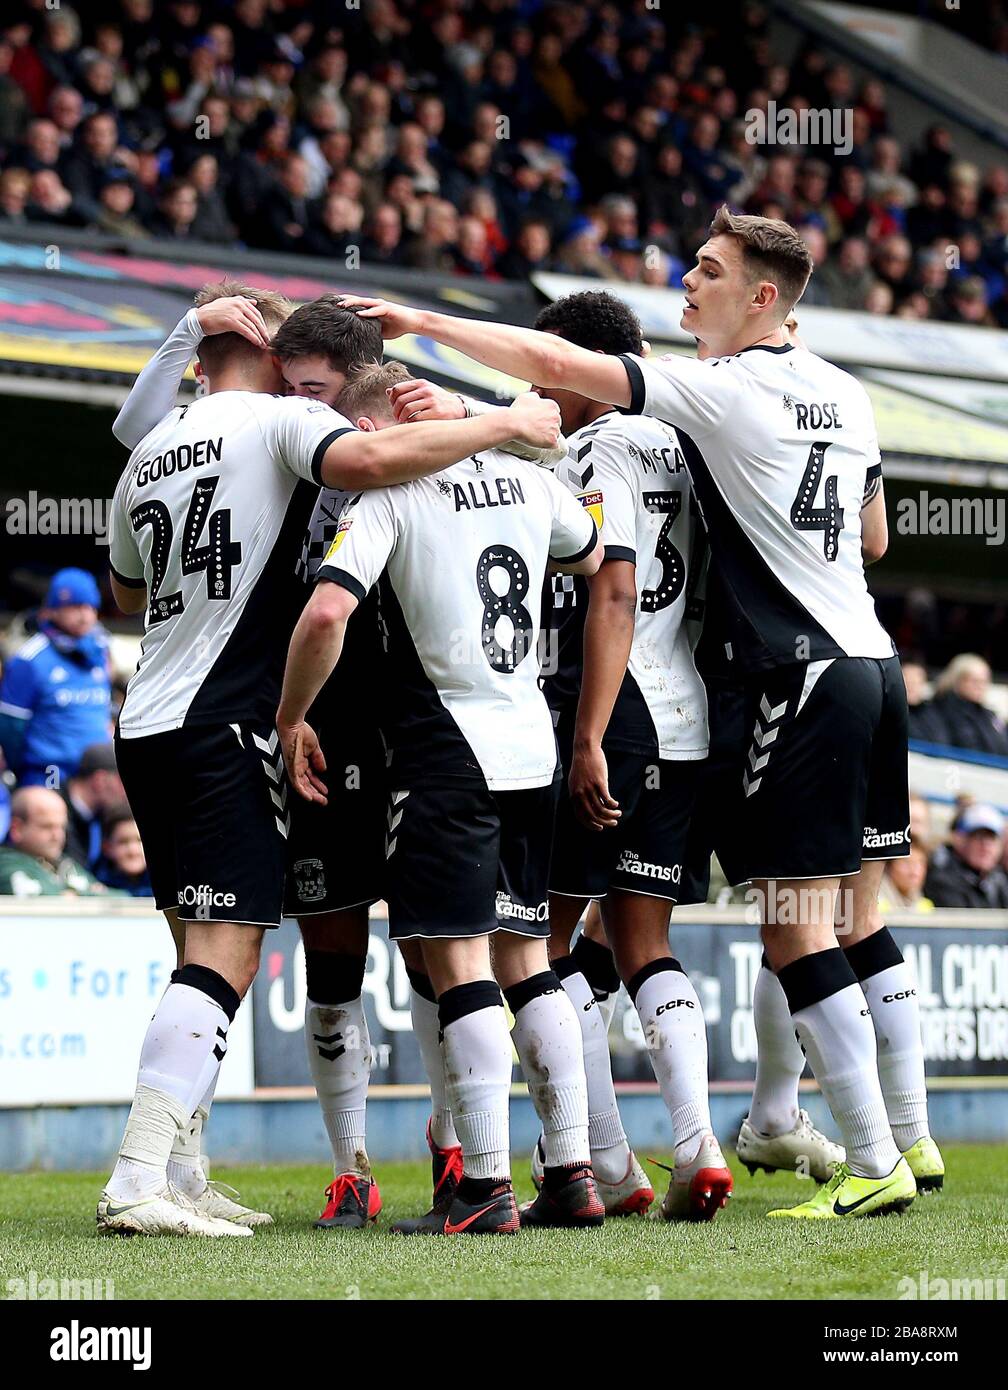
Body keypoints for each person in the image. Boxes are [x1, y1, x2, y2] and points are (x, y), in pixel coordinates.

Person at [338, 202, 941, 1218]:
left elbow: (568, 376)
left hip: (778, 677)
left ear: (760, 296)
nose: (685, 288)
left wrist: (424, 319)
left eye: (705, 272)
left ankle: (850, 1156)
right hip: (869, 665)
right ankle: (859, 1137)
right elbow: (875, 536)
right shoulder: (844, 392)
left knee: (769, 926)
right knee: (819, 914)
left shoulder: (711, 393)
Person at [98, 281, 562, 1240]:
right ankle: (139, 1176)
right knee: (225, 956)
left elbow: (125, 586)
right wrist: (498, 421)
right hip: (230, 716)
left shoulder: (145, 455)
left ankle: (182, 1170)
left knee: (194, 952)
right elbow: (374, 455)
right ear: (272, 360)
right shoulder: (276, 424)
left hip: (145, 716)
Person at [278, 359, 604, 1236]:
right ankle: (571, 1173)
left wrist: (292, 713)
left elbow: (323, 616)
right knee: (528, 962)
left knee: (457, 966)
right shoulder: (527, 481)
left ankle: (485, 1187)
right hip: (530, 743)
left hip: (444, 752)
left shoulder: (383, 500)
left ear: (385, 429)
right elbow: (593, 555)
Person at [526, 288, 730, 1222]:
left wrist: (587, 736)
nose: (538, 383)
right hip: (689, 714)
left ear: (577, 364)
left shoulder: (598, 450)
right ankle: (697, 1143)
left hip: (617, 707)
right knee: (646, 944)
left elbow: (611, 593)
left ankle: (603, 1162)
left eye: (545, 363)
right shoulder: (687, 444)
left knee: (548, 940)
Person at [0, 569, 112, 789]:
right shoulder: (30, 660)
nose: (85, 615)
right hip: (49, 774)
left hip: (95, 778)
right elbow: (11, 727)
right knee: (47, 818)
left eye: (91, 607)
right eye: (76, 606)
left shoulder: (99, 652)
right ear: (52, 609)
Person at [0, 786, 113, 897]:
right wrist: (88, 894)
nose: (57, 836)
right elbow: (43, 901)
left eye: (62, 827)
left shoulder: (65, 864)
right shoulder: (5, 864)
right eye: (47, 827)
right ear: (17, 828)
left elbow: (119, 898)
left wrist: (71, 896)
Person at [909, 654, 1008, 758]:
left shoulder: (987, 714)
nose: (980, 686)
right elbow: (969, 749)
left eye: (984, 681)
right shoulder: (943, 710)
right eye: (974, 681)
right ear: (957, 681)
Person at [925, 804, 1008, 909]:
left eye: (991, 838)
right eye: (978, 837)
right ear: (960, 840)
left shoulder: (999, 880)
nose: (985, 846)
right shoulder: (942, 879)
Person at [60, 741, 125, 870]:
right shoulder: (52, 811)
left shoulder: (101, 816)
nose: (126, 792)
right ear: (100, 780)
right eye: (123, 780)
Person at [94, 805, 152, 896]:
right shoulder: (94, 882)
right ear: (107, 848)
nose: (133, 851)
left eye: (140, 840)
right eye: (123, 842)